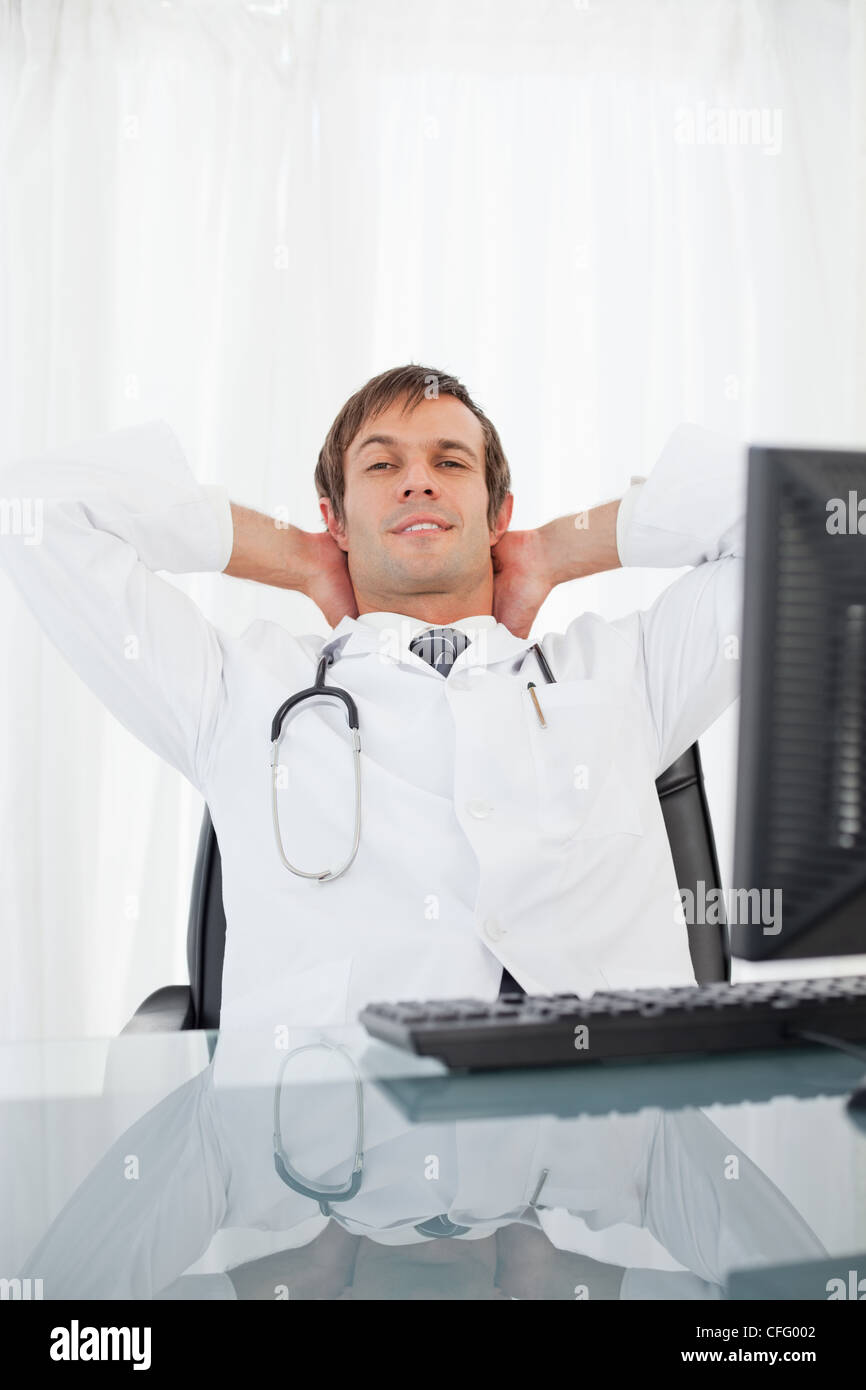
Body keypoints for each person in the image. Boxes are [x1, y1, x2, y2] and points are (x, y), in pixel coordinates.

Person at [0, 364, 745, 1032]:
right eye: (383, 464)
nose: (418, 481)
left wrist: (559, 548)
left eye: (450, 462)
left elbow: (805, 517)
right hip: (342, 1128)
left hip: (610, 1116)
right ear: (335, 517)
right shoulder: (233, 689)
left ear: (498, 514)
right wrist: (294, 556)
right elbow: (34, 508)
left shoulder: (625, 670)